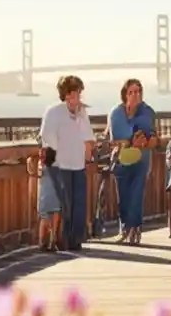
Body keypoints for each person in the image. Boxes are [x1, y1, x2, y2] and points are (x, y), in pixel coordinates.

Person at [39, 75, 94, 252]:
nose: (77, 97)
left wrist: (88, 158)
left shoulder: (82, 112)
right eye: (74, 93)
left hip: (78, 164)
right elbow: (47, 137)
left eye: (79, 93)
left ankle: (75, 240)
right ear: (67, 94)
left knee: (78, 204)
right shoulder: (53, 111)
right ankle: (60, 239)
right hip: (60, 164)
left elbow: (88, 137)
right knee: (63, 205)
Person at [107, 79, 158, 245]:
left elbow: (153, 137)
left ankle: (134, 228)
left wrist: (148, 142)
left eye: (138, 92)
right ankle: (124, 227)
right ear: (125, 94)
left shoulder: (147, 112)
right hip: (121, 160)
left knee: (136, 193)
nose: (135, 95)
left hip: (141, 159)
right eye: (131, 92)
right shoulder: (116, 113)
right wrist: (131, 142)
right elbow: (116, 139)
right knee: (123, 195)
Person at [27, 145, 63, 252]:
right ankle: (52, 240)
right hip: (53, 194)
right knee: (53, 217)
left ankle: (43, 242)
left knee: (45, 218)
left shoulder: (41, 166)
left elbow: (35, 172)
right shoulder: (57, 165)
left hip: (45, 195)